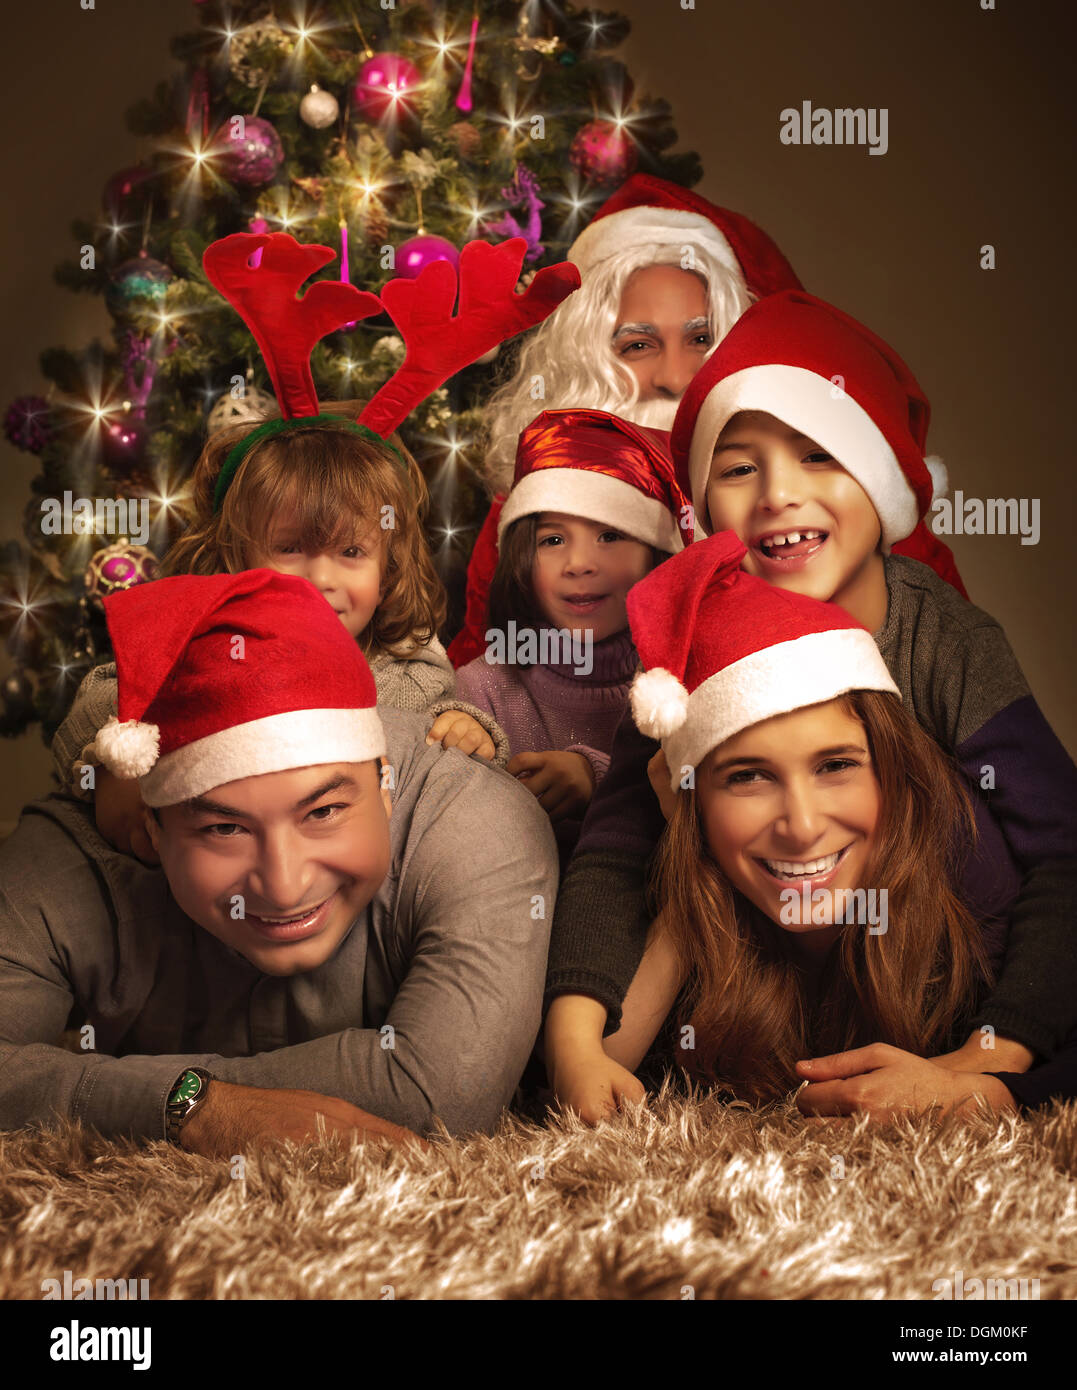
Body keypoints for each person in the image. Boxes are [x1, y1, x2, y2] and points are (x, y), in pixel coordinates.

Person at [545, 291, 1077, 1117]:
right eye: (738, 468)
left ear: (881, 483)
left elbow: (1061, 851)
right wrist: (576, 1042)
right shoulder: (681, 649)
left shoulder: (945, 641)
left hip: (937, 964)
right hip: (759, 970)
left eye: (819, 455)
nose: (777, 496)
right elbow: (613, 859)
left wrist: (988, 1059)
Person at [52, 227, 583, 862]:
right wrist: (114, 766)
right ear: (237, 552)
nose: (319, 578)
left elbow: (443, 717)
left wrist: (476, 732)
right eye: (290, 548)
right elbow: (103, 695)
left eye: (350, 553)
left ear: (388, 568)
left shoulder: (404, 665)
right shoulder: (198, 637)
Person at [0, 570, 559, 1149]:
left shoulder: (476, 820)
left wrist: (122, 1091)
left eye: (322, 813)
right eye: (223, 827)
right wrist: (196, 1106)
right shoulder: (66, 858)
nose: (286, 887)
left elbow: (441, 1095)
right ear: (151, 832)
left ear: (386, 787)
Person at [447, 174, 804, 666]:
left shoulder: (806, 500)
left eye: (701, 340)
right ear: (585, 360)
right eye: (638, 346)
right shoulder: (531, 501)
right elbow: (480, 670)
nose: (677, 379)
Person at [454, 408, 686, 863]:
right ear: (521, 559)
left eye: (610, 536)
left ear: (655, 555)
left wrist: (594, 778)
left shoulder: (681, 686)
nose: (580, 563)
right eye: (553, 541)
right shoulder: (483, 689)